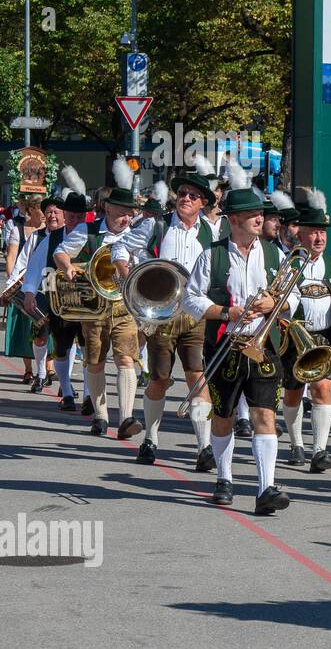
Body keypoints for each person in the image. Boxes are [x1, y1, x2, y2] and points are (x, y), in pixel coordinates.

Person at [182, 172, 297, 513]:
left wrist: (277, 304)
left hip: (264, 346)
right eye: (252, 214)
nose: (260, 218)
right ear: (234, 220)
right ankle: (225, 477)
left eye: (261, 213)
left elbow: (297, 298)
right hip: (225, 346)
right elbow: (190, 299)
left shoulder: (276, 256)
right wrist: (225, 311)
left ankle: (265, 489)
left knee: (264, 415)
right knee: (224, 416)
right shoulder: (212, 256)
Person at [113, 167, 219, 469]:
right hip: (162, 315)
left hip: (196, 314)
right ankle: (151, 439)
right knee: (159, 378)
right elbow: (121, 245)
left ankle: (204, 447)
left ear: (203, 203)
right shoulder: (157, 226)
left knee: (197, 378)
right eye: (182, 193)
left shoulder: (213, 232)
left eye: (192, 196)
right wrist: (128, 274)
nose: (185, 198)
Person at [52, 162, 142, 438]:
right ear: (109, 208)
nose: (127, 218)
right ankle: (101, 415)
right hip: (94, 305)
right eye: (123, 212)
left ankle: (126, 417)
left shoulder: (137, 234)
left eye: (130, 213)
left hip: (124, 304)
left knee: (126, 358)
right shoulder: (88, 231)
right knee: (95, 360)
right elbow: (61, 251)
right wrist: (67, 266)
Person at [281, 190, 331, 473]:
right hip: (294, 337)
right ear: (301, 234)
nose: (319, 238)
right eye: (313, 232)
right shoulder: (290, 263)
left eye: (322, 232)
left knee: (323, 389)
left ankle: (320, 450)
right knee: (293, 393)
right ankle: (296, 442)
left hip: (325, 336)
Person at [21, 170, 89, 410]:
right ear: (65, 214)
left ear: (85, 216)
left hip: (88, 301)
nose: (73, 219)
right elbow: (35, 265)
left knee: (90, 347)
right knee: (62, 346)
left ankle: (89, 395)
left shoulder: (91, 235)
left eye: (79, 215)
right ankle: (68, 391)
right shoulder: (52, 237)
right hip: (58, 299)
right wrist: (29, 293)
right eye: (70, 215)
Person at [3, 192, 46, 385]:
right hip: (23, 282)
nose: (45, 213)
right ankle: (29, 369)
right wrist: (13, 284)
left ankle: (47, 370)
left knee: (45, 328)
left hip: (44, 285)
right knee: (25, 329)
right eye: (41, 209)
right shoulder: (18, 230)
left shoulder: (51, 231)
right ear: (31, 211)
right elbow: (12, 257)